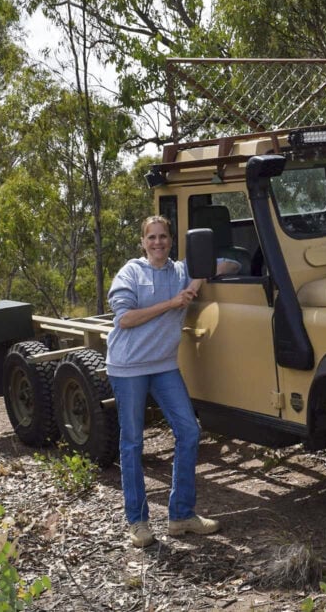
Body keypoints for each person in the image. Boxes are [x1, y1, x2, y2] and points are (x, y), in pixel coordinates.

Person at [106, 214, 239, 548]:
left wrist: (200, 277)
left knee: (189, 432)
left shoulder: (181, 270)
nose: (158, 243)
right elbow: (124, 319)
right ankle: (137, 522)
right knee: (133, 442)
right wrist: (172, 303)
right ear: (143, 242)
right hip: (129, 366)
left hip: (163, 364)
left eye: (163, 237)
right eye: (151, 237)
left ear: (171, 240)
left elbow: (231, 266)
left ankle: (180, 515)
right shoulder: (132, 272)